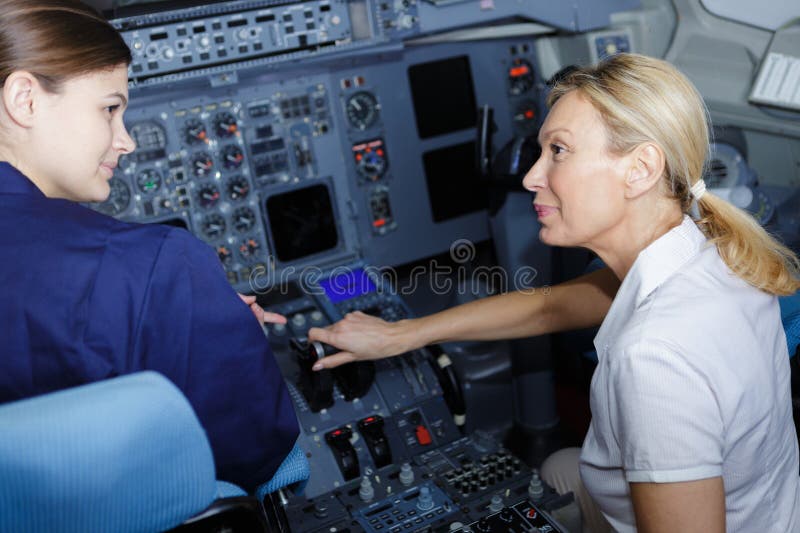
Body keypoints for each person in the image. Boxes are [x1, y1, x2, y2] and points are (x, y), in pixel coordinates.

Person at [309, 53, 800, 531]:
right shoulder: (717, 252)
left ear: (640, 169)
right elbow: (549, 308)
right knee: (562, 466)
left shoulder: (654, 358)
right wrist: (403, 333)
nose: (530, 177)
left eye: (558, 151)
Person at [0, 0, 298, 492]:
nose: (127, 141)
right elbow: (254, 449)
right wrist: (227, 336)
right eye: (110, 109)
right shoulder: (156, 266)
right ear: (25, 99)